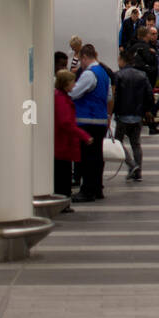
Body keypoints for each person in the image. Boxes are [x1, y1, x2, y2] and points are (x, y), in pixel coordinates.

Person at [69, 44, 111, 203]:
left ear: (85, 57)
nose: (81, 64)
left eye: (81, 60)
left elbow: (74, 93)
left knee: (87, 159)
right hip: (100, 120)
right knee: (97, 158)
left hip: (87, 121)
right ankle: (97, 188)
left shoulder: (89, 74)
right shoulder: (104, 73)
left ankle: (87, 191)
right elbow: (108, 97)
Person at [54, 69, 92, 213]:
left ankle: (63, 202)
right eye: (72, 82)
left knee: (63, 173)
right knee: (63, 174)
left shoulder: (60, 97)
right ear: (65, 83)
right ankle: (63, 203)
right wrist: (84, 135)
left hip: (62, 142)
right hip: (63, 143)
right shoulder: (61, 99)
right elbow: (66, 123)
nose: (74, 84)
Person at [112, 49, 154, 182]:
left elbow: (115, 96)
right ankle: (138, 171)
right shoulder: (142, 75)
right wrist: (147, 109)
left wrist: (113, 111)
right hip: (137, 114)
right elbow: (149, 94)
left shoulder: (118, 75)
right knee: (136, 143)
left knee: (118, 142)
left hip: (122, 114)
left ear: (123, 61)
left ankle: (132, 165)